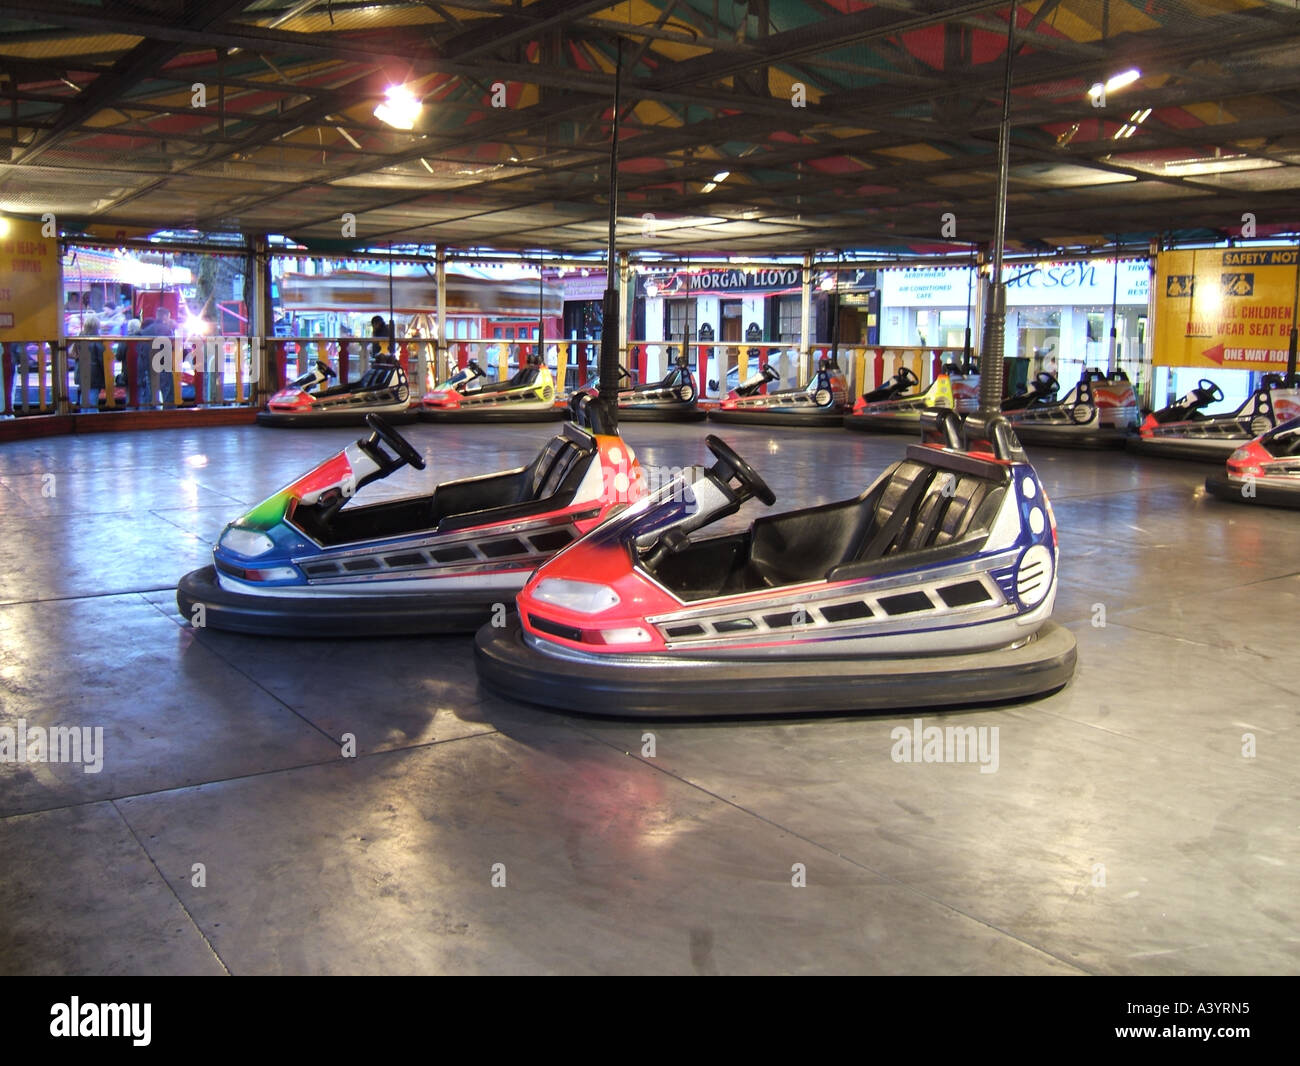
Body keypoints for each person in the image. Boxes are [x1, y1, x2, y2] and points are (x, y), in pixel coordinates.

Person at [77, 314, 104, 412]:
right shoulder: (97, 340)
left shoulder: (79, 337)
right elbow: (102, 358)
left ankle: (82, 420)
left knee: (84, 398)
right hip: (94, 373)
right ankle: (92, 422)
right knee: (92, 399)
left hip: (82, 370)